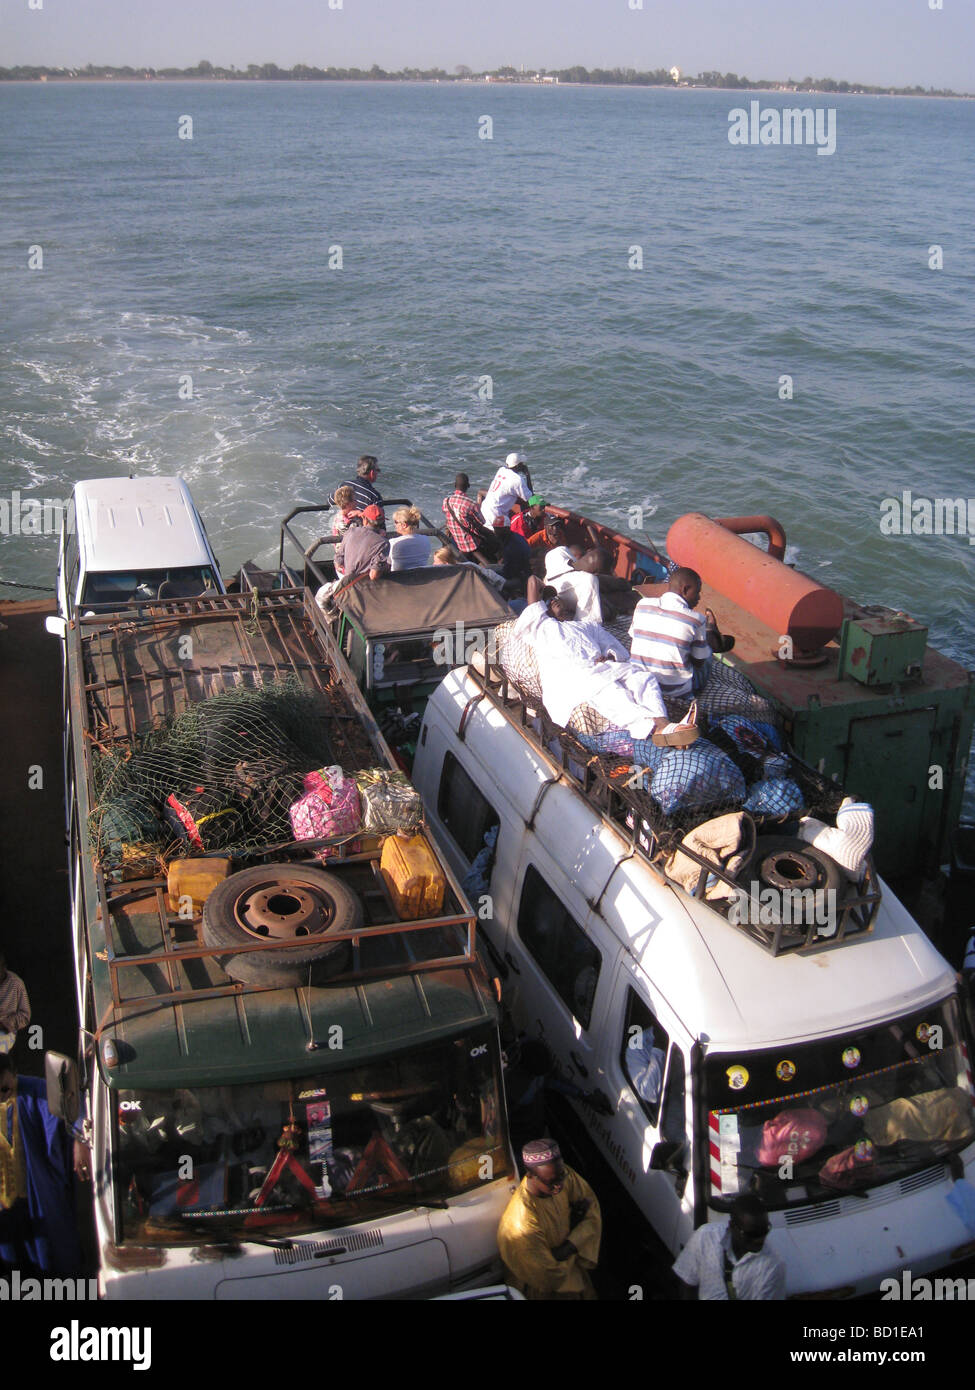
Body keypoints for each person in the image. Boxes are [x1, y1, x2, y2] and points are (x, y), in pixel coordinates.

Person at [514, 588, 695, 745]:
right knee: (612, 691)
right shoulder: (540, 628)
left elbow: (614, 648)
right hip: (571, 677)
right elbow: (532, 582)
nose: (553, 600)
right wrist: (541, 598)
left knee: (643, 677)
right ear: (542, 610)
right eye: (548, 600)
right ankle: (655, 728)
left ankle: (664, 726)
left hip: (601, 668)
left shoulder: (586, 625)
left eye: (556, 597)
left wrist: (609, 656)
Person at [0, 1055, 83, 1277]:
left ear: (14, 1075)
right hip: (3, 1211)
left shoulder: (34, 1091)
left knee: (49, 1266)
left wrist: (79, 1140)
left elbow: (74, 1109)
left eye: (4, 1089)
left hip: (34, 1200)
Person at [496, 1138, 602, 1299]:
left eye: (561, 1177)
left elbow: (591, 1211)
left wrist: (565, 1249)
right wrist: (575, 1238)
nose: (560, 1186)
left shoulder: (563, 1176)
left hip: (573, 1279)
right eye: (552, 1182)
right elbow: (546, 1273)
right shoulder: (520, 1223)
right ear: (531, 1175)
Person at [629, 566, 721, 699]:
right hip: (675, 692)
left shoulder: (642, 605)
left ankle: (711, 635)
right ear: (685, 590)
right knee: (706, 654)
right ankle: (712, 636)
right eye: (697, 592)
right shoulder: (696, 620)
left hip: (641, 684)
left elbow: (634, 636)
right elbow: (699, 663)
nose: (699, 598)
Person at [673, 1193, 785, 1300]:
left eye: (764, 1231)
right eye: (752, 1234)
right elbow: (687, 1282)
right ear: (732, 1227)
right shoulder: (706, 1236)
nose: (759, 1239)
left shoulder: (773, 1265)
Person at [333, 504, 390, 584]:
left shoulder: (351, 532)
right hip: (365, 586)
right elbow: (374, 576)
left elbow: (338, 561)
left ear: (365, 519)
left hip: (347, 582)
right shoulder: (383, 543)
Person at [442, 474, 491, 558]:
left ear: (454, 485)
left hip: (456, 538)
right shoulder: (471, 504)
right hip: (470, 544)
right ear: (468, 486)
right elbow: (483, 522)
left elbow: (446, 512)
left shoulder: (446, 501)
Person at [480, 452, 532, 529]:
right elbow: (530, 499)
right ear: (518, 466)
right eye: (522, 463)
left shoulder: (501, 470)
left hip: (485, 508)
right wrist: (527, 475)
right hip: (495, 515)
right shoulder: (517, 479)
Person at [327, 455, 384, 522]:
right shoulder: (374, 496)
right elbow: (379, 522)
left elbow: (329, 502)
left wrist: (344, 514)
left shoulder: (344, 485)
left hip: (339, 529)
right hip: (362, 531)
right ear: (372, 473)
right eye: (378, 470)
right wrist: (362, 514)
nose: (378, 473)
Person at [0, 954, 29, 1055]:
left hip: (5, 1032)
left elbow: (25, 1016)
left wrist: (4, 1024)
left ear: (4, 967)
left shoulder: (16, 983)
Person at [388, 506, 432, 571]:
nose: (394, 524)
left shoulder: (393, 542)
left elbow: (386, 564)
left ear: (404, 525)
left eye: (396, 522)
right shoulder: (425, 540)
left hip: (398, 579)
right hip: (421, 577)